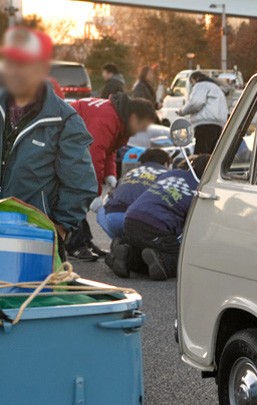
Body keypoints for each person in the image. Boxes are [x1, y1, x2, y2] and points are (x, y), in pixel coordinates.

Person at [0, 26, 95, 255]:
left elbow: (80, 183)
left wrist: (59, 229)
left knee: (27, 291)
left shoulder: (64, 120)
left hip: (32, 237)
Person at [65, 93, 158, 260]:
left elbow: (109, 150)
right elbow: (94, 154)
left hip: (72, 146)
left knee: (78, 196)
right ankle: (75, 244)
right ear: (135, 117)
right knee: (76, 195)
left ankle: (83, 240)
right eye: (143, 125)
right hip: (62, 144)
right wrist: (94, 192)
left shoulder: (120, 121)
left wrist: (110, 175)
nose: (142, 130)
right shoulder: (108, 117)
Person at [108, 154, 209, 281]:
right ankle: (163, 262)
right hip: (157, 227)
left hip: (130, 219)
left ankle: (127, 255)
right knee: (183, 256)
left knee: (144, 245)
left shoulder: (173, 173)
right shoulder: (202, 189)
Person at [97, 147, 170, 240]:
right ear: (166, 163)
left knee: (101, 211)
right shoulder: (167, 175)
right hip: (142, 222)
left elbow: (111, 196)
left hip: (115, 218)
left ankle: (120, 242)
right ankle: (144, 246)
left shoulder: (130, 173)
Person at [179, 71, 228, 154]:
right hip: (218, 125)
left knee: (200, 154)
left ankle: (199, 167)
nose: (192, 85)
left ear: (195, 79)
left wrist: (182, 111)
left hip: (204, 124)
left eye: (192, 83)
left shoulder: (201, 85)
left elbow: (195, 103)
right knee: (211, 155)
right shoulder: (216, 88)